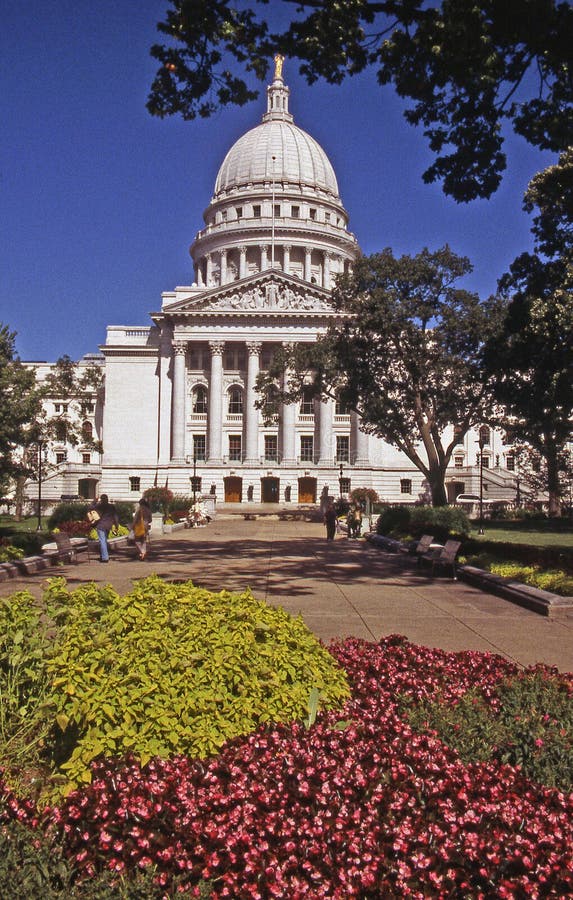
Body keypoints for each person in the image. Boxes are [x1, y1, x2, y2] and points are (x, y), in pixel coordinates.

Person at [89, 494, 119, 563]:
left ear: (101, 499)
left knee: (102, 541)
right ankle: (103, 555)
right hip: (108, 526)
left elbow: (90, 508)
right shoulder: (111, 506)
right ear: (107, 499)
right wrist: (116, 526)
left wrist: (94, 501)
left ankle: (105, 557)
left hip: (101, 525)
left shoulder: (99, 506)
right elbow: (115, 517)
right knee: (104, 541)